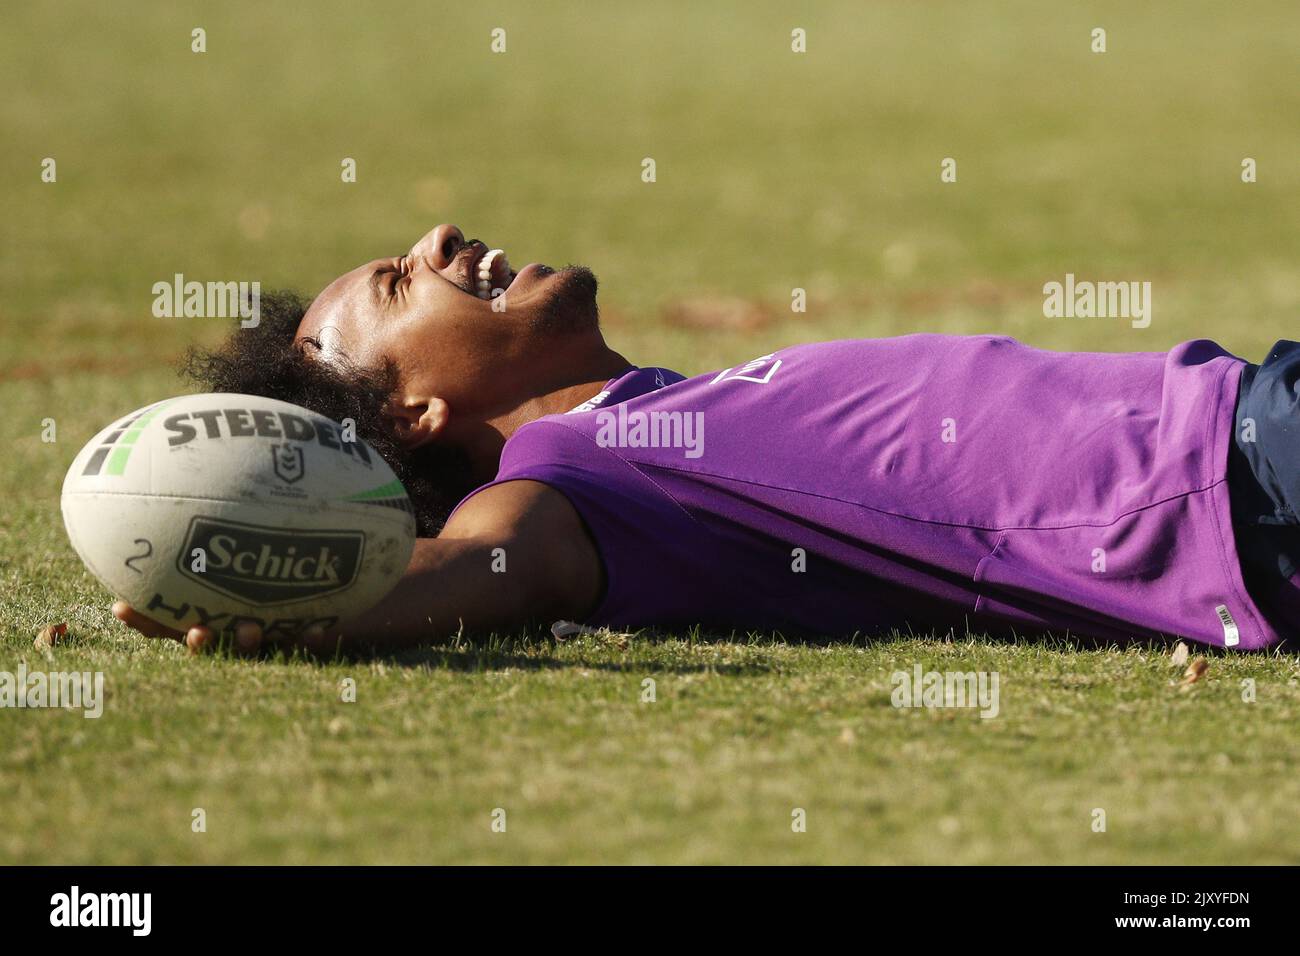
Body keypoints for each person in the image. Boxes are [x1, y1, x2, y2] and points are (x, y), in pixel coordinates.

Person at [113, 224, 1299, 656]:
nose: (439, 237)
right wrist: (294, 598)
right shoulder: (562, 480)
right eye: (396, 281)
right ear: (412, 414)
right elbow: (487, 565)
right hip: (1235, 492)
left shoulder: (646, 410)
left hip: (1247, 423)